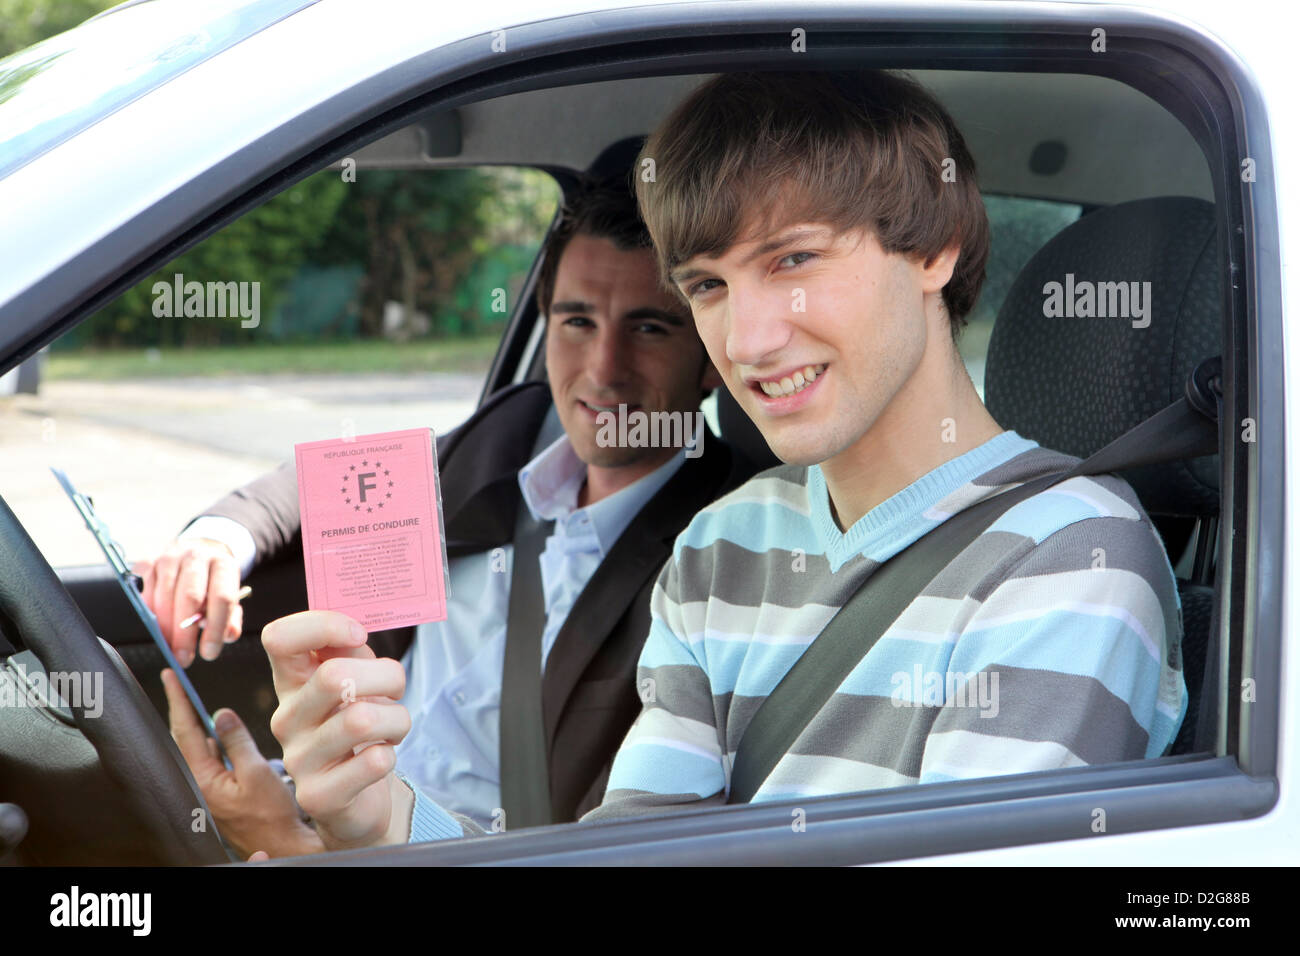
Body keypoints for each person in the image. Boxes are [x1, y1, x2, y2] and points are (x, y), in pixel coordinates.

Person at [258, 70, 1186, 850]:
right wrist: (384, 822)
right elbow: (640, 858)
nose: (744, 340)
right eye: (707, 285)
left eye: (792, 262)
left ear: (934, 249)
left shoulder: (1075, 560)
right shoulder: (724, 542)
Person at [144, 180, 738, 857]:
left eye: (650, 327)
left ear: (712, 356)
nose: (603, 369)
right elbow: (323, 483)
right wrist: (220, 540)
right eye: (577, 321)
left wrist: (296, 846)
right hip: (336, 804)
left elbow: (602, 847)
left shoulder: (725, 552)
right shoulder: (511, 436)